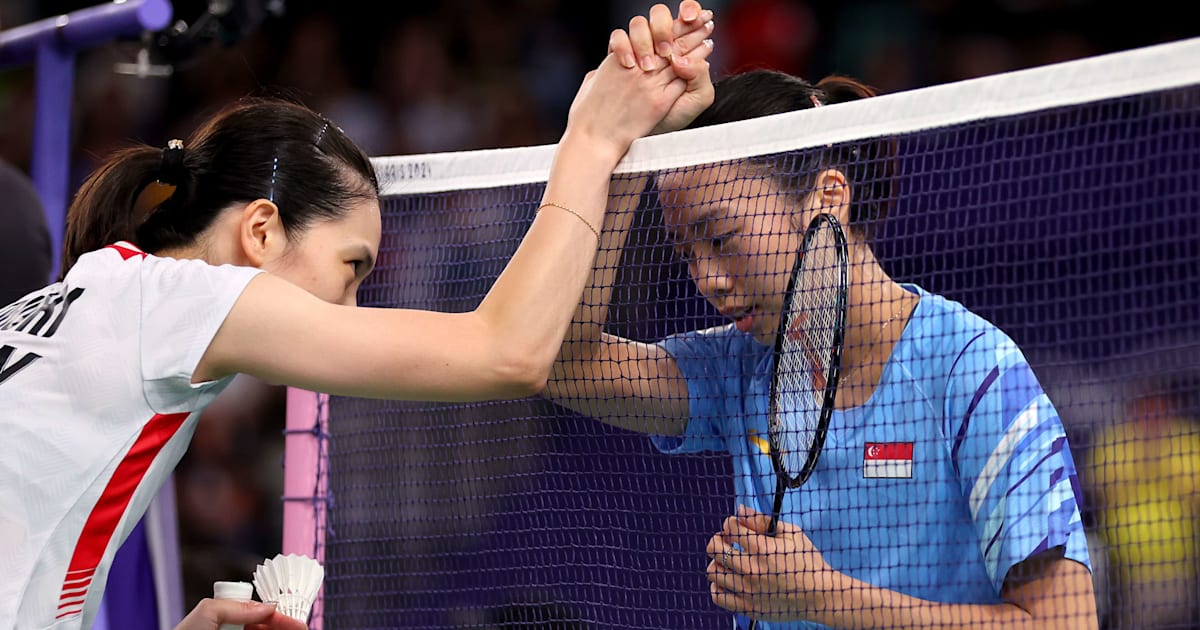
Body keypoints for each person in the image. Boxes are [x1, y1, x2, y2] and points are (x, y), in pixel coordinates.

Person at [0, 3, 716, 628]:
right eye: (350, 268)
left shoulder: (89, 297)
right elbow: (509, 352)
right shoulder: (187, 297)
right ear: (260, 231)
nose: (351, 308)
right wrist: (592, 138)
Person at [545, 67, 1097, 627]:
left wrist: (823, 597)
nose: (707, 279)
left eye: (722, 238)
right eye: (687, 253)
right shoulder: (739, 367)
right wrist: (626, 157)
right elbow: (561, 363)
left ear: (829, 198)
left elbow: (1065, 624)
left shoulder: (971, 370)